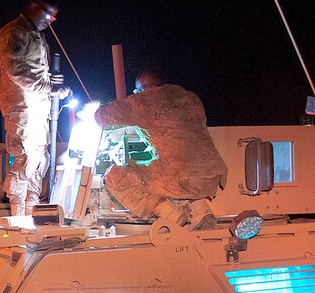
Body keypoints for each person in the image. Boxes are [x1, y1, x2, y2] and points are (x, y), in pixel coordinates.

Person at [93, 69, 227, 226]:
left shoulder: (143, 102)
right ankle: (201, 211)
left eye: (137, 91)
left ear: (142, 89)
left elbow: (101, 116)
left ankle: (172, 216)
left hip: (182, 177)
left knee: (115, 176)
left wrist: (91, 110)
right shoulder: (190, 98)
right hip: (212, 174)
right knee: (184, 165)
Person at [0, 0, 70, 216]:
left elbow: (34, 70)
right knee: (25, 159)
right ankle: (18, 215)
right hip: (22, 108)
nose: (51, 21)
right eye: (50, 15)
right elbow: (16, 71)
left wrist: (51, 82)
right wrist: (50, 88)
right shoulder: (15, 33)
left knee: (39, 161)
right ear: (35, 8)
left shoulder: (33, 34)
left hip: (36, 107)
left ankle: (31, 212)